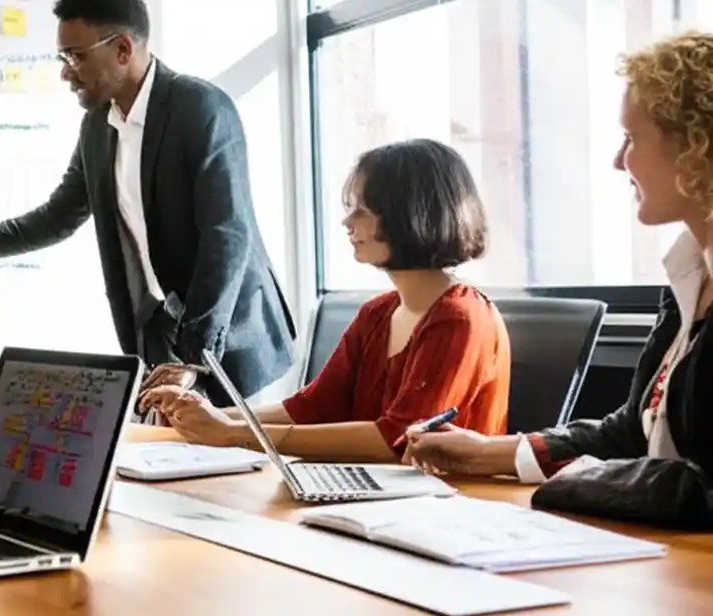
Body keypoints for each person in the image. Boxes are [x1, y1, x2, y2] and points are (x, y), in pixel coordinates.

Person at [0, 0, 296, 404]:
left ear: (122, 50)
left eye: (75, 57)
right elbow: (57, 217)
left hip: (233, 345)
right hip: (166, 341)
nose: (65, 73)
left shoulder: (200, 108)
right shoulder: (99, 125)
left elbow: (227, 236)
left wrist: (195, 360)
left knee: (236, 468)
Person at [405, 31, 713, 529]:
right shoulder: (689, 278)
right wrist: (491, 453)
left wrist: (575, 481)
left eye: (632, 138)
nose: (618, 160)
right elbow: (632, 431)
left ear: (695, 144)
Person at [140, 139, 511, 462]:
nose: (347, 222)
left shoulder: (461, 317)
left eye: (362, 210)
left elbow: (397, 441)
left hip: (447, 508)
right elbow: (311, 409)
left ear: (412, 215)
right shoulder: (377, 312)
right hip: (382, 498)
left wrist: (235, 433)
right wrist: (208, 416)